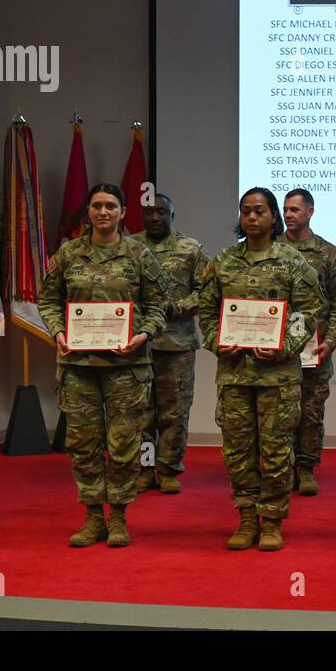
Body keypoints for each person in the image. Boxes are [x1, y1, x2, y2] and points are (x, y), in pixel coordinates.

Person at [38, 183, 168, 548]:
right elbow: (47, 299)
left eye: (111, 206)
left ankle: (120, 518)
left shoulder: (139, 255)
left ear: (123, 212)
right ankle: (93, 516)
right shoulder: (68, 254)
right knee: (83, 444)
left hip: (127, 367)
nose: (103, 212)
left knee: (124, 444)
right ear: (88, 212)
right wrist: (58, 331)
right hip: (78, 365)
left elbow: (159, 304)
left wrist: (144, 333)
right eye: (96, 206)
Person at [198, 188, 322, 551]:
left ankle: (271, 520)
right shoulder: (223, 262)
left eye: (260, 211)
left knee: (277, 450)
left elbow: (308, 310)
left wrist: (283, 346)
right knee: (237, 450)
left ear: (273, 217)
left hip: (277, 377)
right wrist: (216, 341)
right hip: (235, 374)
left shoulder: (292, 261)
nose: (252, 218)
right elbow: (207, 311)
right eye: (246, 212)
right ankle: (246, 516)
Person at [138, 193, 211, 494]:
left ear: (172, 216)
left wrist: (176, 307)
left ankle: (168, 469)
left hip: (177, 344)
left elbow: (206, 291)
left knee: (174, 411)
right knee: (140, 412)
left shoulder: (191, 249)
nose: (155, 218)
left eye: (162, 212)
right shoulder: (129, 247)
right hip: (136, 345)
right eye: (150, 212)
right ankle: (143, 469)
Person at [281, 188, 336, 496]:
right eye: (285, 209)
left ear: (310, 212)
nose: (288, 214)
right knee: (278, 410)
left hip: (315, 347)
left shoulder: (329, 254)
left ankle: (306, 467)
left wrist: (332, 341)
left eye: (295, 209)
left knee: (310, 410)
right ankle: (280, 468)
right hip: (275, 346)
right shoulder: (269, 249)